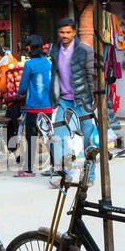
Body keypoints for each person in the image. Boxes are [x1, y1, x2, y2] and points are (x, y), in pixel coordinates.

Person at [48, 17, 97, 183]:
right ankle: (64, 175)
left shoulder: (85, 50)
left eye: (68, 32)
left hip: (83, 101)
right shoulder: (54, 50)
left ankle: (89, 176)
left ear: (74, 33)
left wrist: (94, 102)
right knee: (58, 138)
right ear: (58, 33)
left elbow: (92, 76)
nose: (65, 35)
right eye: (62, 32)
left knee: (88, 140)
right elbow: (54, 74)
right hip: (64, 101)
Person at [15, 36, 52, 176]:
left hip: (33, 107)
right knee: (48, 136)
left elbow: (23, 87)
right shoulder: (48, 63)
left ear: (31, 48)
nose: (26, 48)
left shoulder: (30, 65)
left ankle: (29, 169)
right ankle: (55, 166)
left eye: (27, 46)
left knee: (31, 137)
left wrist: (18, 94)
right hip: (47, 107)